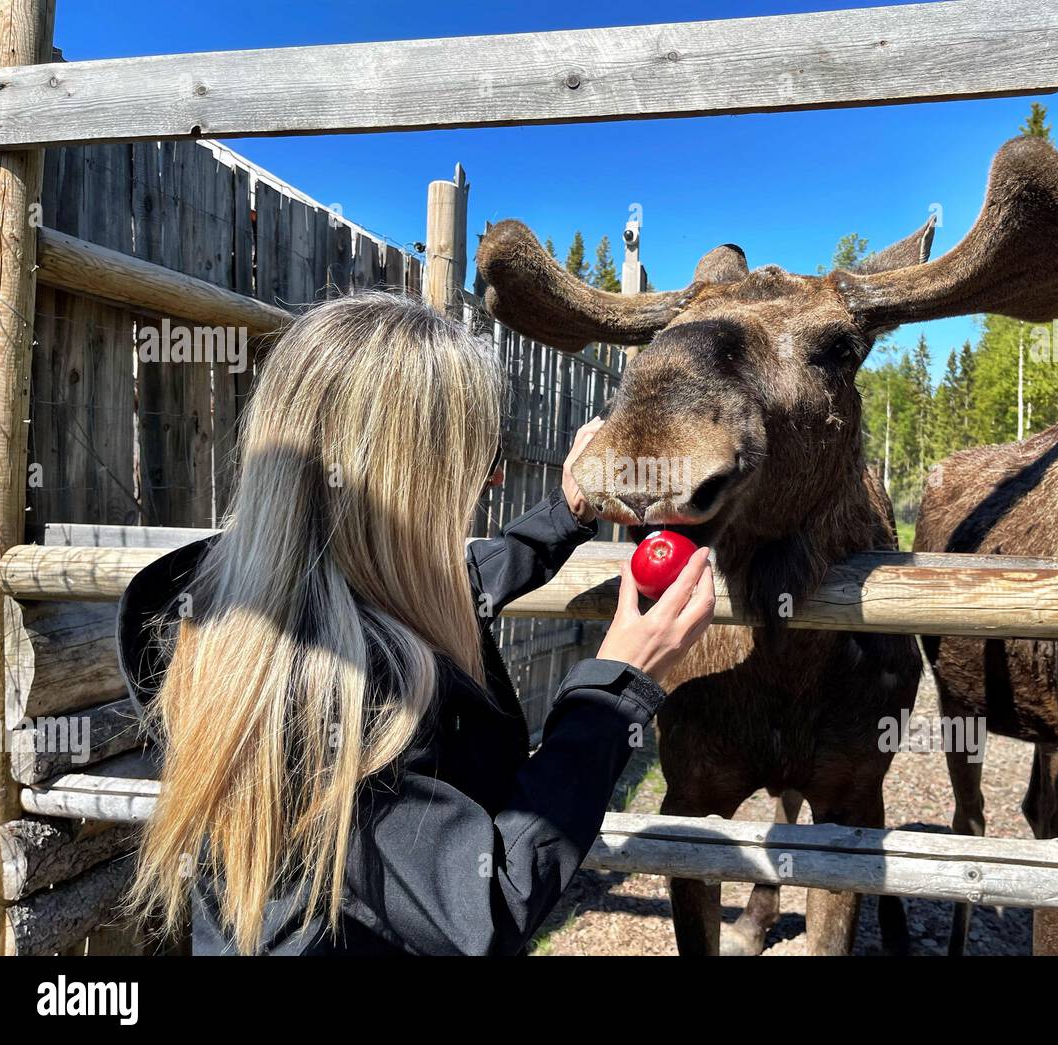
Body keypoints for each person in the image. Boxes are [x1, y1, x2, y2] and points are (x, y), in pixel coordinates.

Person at [118, 292, 715, 955]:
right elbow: (487, 901)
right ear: (402, 476)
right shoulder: (329, 701)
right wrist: (614, 691)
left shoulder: (241, 619)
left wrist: (568, 511)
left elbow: (455, 585)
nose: (490, 479)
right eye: (476, 454)